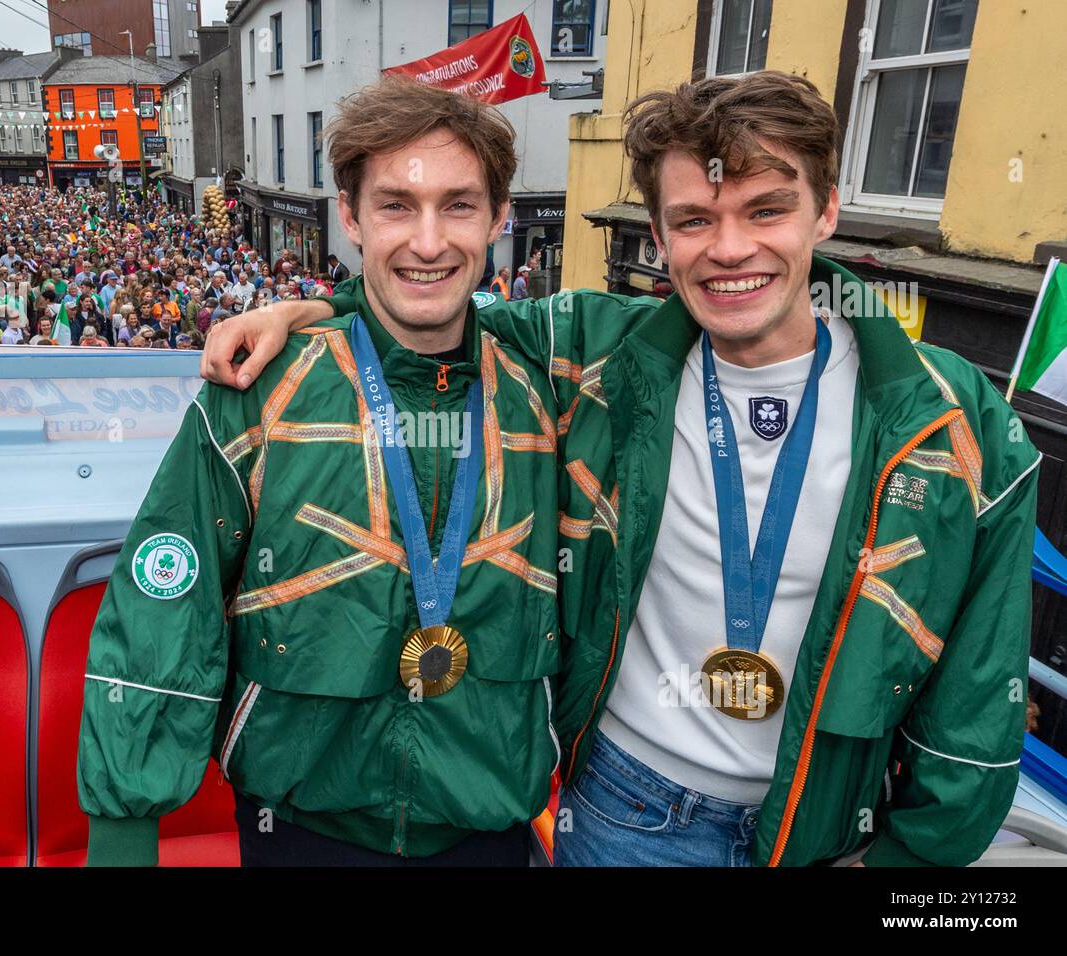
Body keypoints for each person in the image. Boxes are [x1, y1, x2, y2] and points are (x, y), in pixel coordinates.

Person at [203, 71, 1041, 868]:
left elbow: (979, 687)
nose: (730, 249)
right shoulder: (593, 352)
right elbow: (428, 298)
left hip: (828, 833)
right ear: (659, 230)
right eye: (694, 220)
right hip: (624, 815)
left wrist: (909, 855)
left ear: (824, 212)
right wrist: (312, 307)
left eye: (766, 210)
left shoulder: (953, 419)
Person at [78, 77, 563, 867]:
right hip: (298, 835)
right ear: (351, 216)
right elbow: (163, 605)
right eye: (397, 206)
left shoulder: (550, 388)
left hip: (489, 835)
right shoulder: (257, 390)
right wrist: (123, 841)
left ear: (501, 217)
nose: (430, 240)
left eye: (460, 205)